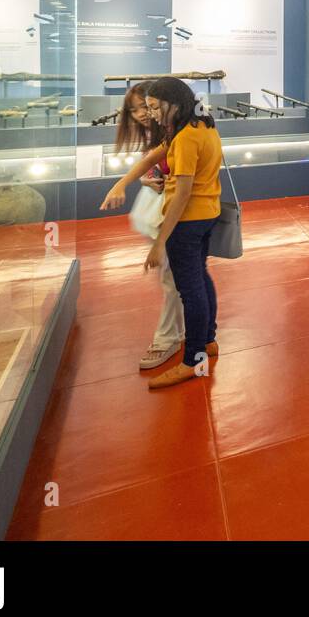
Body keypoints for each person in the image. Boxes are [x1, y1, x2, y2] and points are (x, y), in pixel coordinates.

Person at [102, 77, 223, 390]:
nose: (151, 113)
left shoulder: (184, 139)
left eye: (155, 107)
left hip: (187, 221)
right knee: (201, 278)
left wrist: (159, 243)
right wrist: (122, 183)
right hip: (207, 214)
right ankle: (208, 340)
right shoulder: (201, 127)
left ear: (173, 103)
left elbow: (181, 195)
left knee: (189, 290)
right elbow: (154, 155)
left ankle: (193, 360)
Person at [114, 80, 186, 369]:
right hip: (157, 208)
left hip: (171, 211)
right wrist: (144, 179)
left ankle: (169, 338)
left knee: (174, 279)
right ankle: (178, 333)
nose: (143, 113)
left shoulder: (176, 132)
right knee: (173, 279)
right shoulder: (157, 133)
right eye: (135, 110)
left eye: (147, 106)